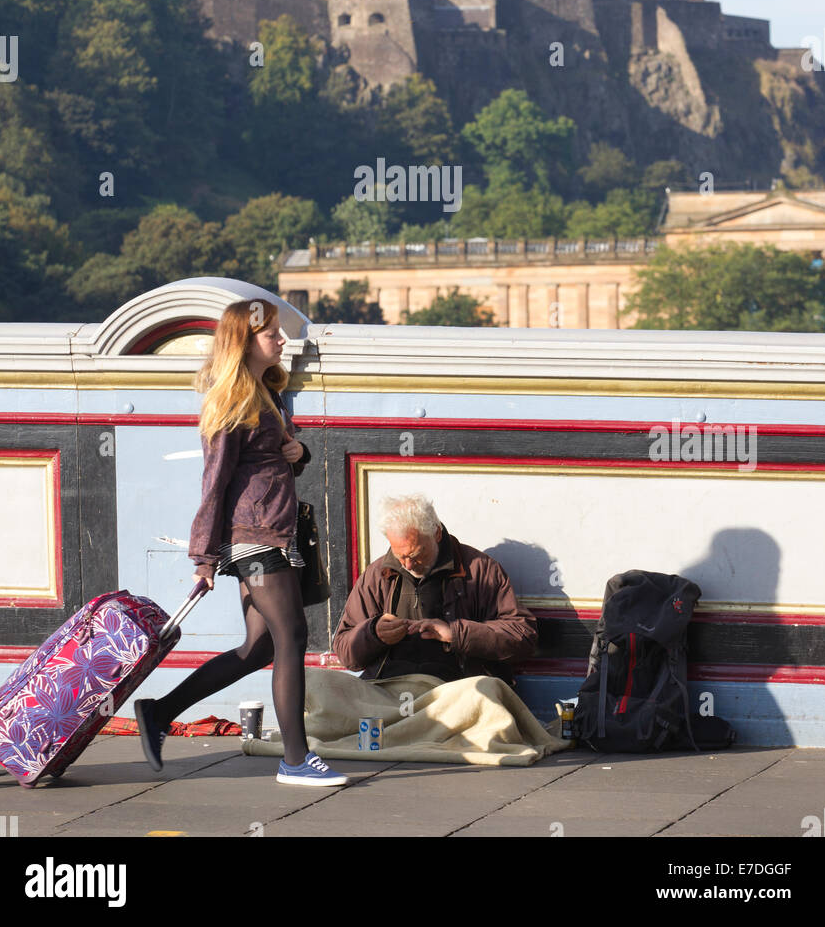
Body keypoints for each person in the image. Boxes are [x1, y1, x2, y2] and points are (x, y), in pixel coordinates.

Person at [134, 297, 347, 786]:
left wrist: (300, 451)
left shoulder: (263, 392)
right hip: (254, 539)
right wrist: (203, 556)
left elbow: (271, 462)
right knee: (293, 636)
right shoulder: (233, 399)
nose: (281, 340)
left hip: (270, 532)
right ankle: (295, 759)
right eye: (271, 333)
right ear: (244, 341)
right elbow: (215, 480)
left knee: (259, 649)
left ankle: (159, 711)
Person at [333, 493, 537, 684]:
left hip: (457, 694)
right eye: (399, 556)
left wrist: (455, 634)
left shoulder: (479, 569)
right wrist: (373, 634)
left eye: (415, 554)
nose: (408, 565)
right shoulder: (378, 574)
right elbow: (345, 650)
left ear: (437, 533)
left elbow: (522, 636)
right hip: (390, 692)